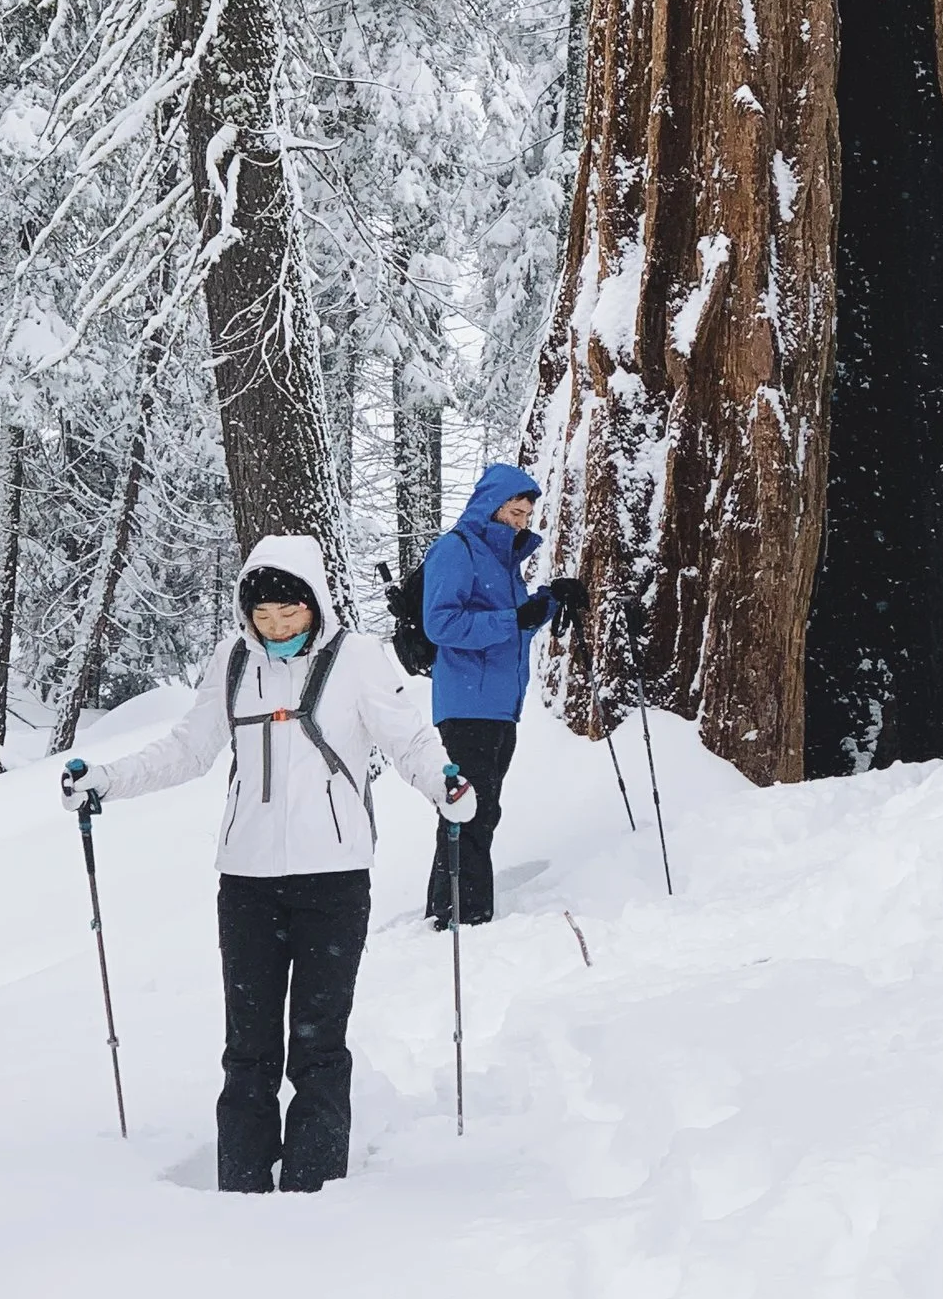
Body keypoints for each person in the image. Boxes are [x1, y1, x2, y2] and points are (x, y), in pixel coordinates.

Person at [59, 536, 467, 1194]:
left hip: (333, 881)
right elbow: (187, 751)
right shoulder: (232, 662)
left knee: (319, 1045)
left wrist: (444, 783)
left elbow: (410, 742)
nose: (276, 627)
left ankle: (313, 1190)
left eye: (289, 613)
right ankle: (240, 1189)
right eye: (264, 616)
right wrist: (107, 778)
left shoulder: (358, 661)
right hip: (246, 884)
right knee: (247, 1051)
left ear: (315, 603)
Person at [420, 460, 587, 925]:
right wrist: (513, 617)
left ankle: (448, 907)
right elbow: (442, 624)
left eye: (526, 517)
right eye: (514, 511)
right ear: (491, 506)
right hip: (466, 702)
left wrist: (550, 601)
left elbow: (513, 629)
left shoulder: (503, 564)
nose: (520, 522)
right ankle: (463, 913)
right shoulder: (456, 550)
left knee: (479, 808)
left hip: (498, 706)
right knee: (472, 809)